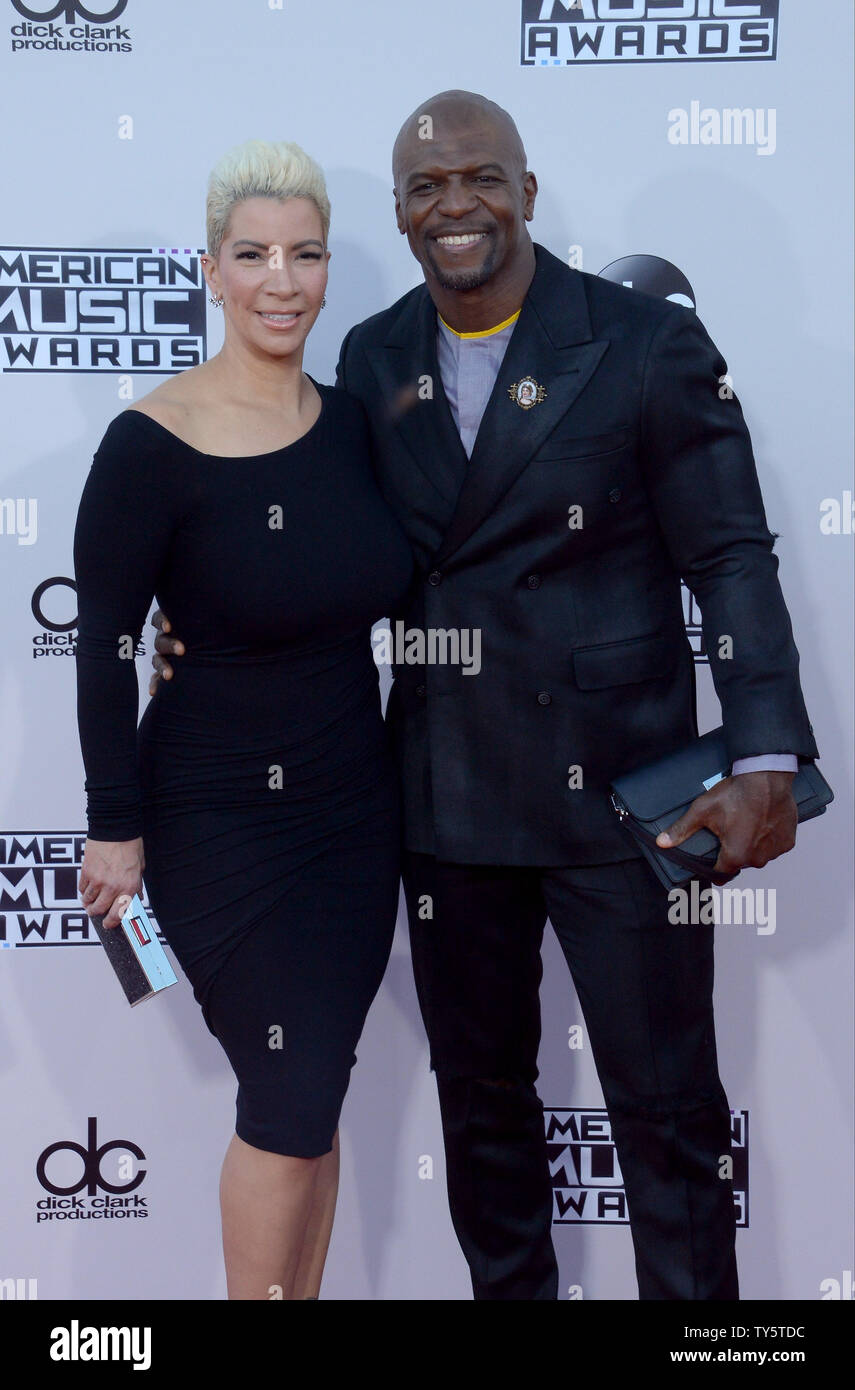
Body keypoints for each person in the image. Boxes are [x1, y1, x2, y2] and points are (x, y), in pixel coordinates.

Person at [151, 93, 818, 1300]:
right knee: (485, 1112)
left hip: (628, 799)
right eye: (426, 186)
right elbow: (338, 547)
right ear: (401, 215)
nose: (455, 204)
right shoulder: (374, 355)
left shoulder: (643, 342)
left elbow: (730, 556)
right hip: (447, 795)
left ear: (525, 189)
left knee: (667, 1112)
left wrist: (766, 749)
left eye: (480, 177)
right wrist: (204, 615)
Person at [73, 139, 414, 1301]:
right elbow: (105, 647)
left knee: (310, 1102)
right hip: (217, 821)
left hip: (353, 820)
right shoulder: (148, 444)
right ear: (211, 270)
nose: (283, 279)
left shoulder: (358, 422)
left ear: (328, 271)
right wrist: (113, 828)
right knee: (288, 1095)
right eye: (254, 253)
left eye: (306, 253)